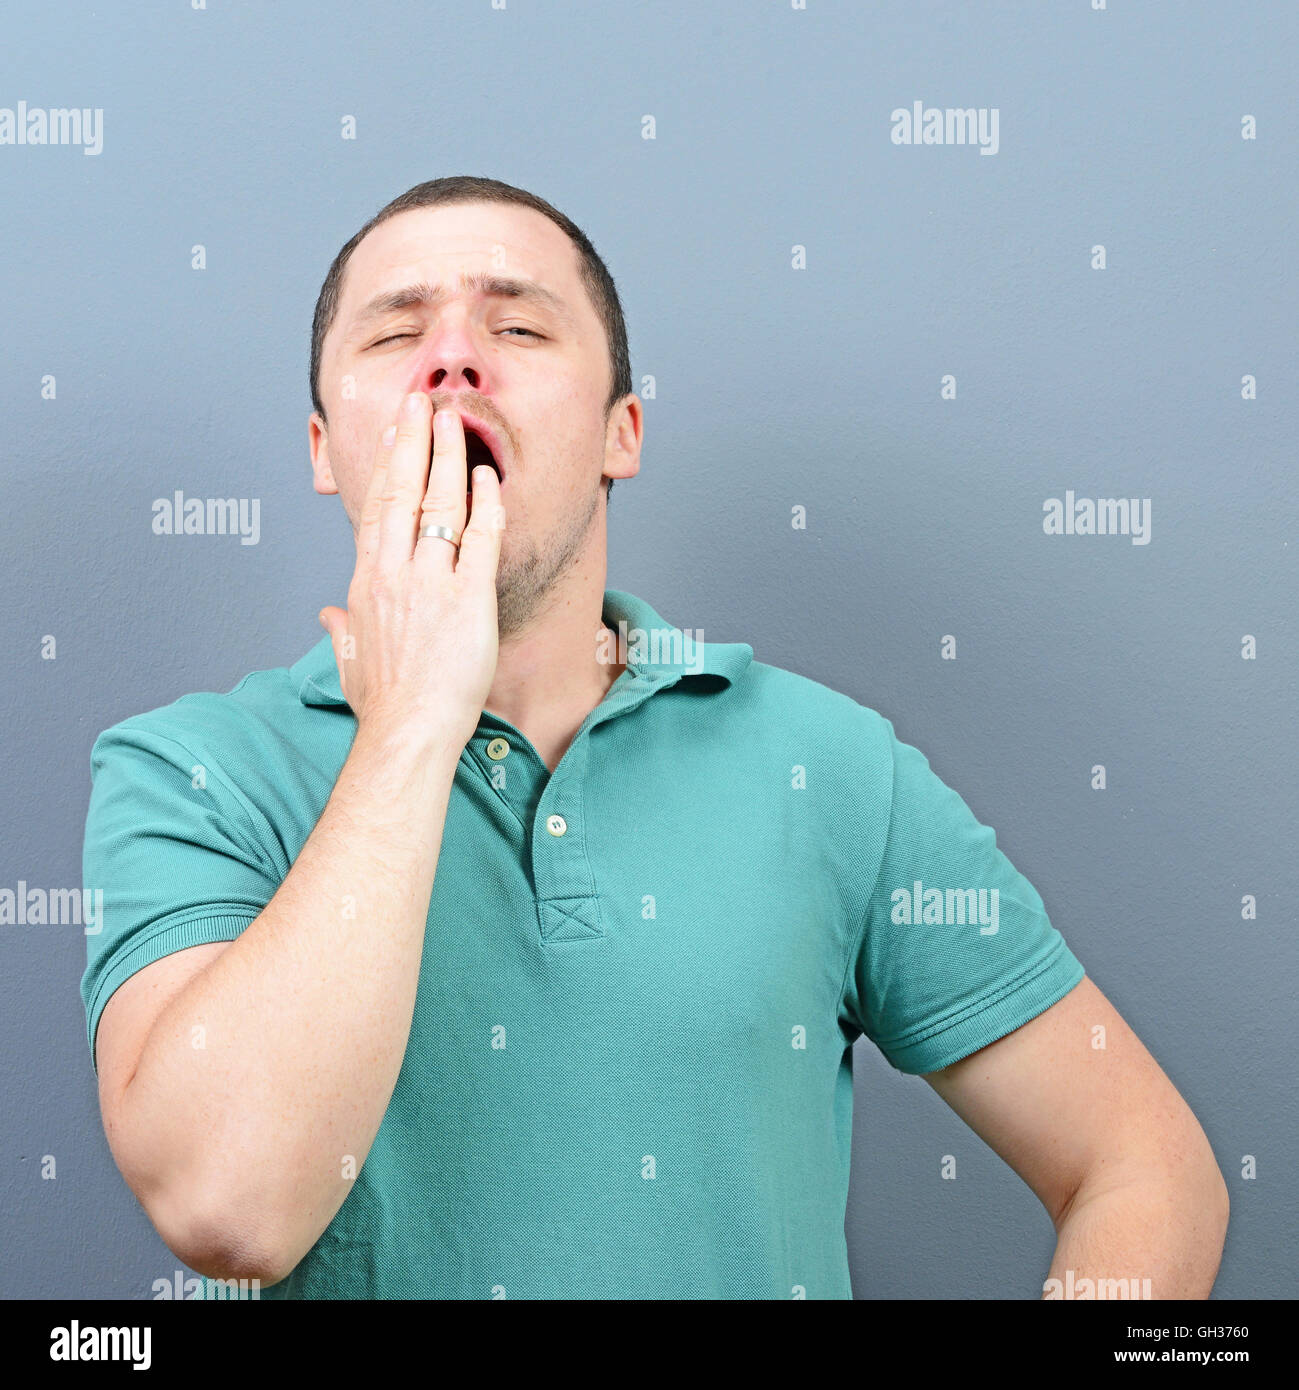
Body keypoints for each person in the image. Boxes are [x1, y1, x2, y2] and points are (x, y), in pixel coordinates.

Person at [81, 176, 1229, 1300]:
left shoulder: (826, 764)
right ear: (326, 450)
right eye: (396, 334)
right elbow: (228, 1207)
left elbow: (1146, 1168)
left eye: (518, 322)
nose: (453, 357)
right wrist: (412, 727)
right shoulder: (189, 774)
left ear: (619, 433)